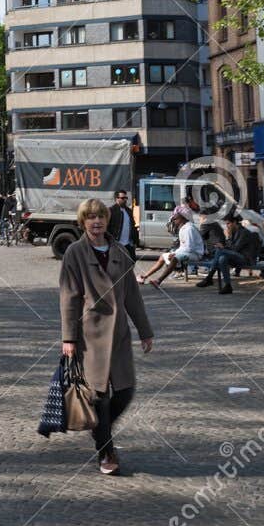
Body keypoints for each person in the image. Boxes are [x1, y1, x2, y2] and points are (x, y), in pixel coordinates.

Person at [60, 197, 155, 477]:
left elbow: (134, 298)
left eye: (100, 216)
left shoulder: (120, 252)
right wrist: (69, 338)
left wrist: (145, 331)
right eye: (91, 217)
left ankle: (99, 428)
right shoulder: (75, 253)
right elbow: (69, 297)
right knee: (99, 396)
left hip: (120, 335)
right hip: (90, 336)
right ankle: (106, 450)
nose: (97, 221)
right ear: (83, 222)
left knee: (125, 391)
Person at [139, 212, 203, 288]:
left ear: (182, 219)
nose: (173, 221)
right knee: (162, 256)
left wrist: (175, 254)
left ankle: (158, 280)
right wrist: (174, 252)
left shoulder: (189, 229)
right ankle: (145, 276)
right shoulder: (183, 228)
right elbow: (184, 247)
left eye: (175, 219)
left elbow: (190, 248)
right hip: (187, 252)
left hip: (195, 254)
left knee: (175, 258)